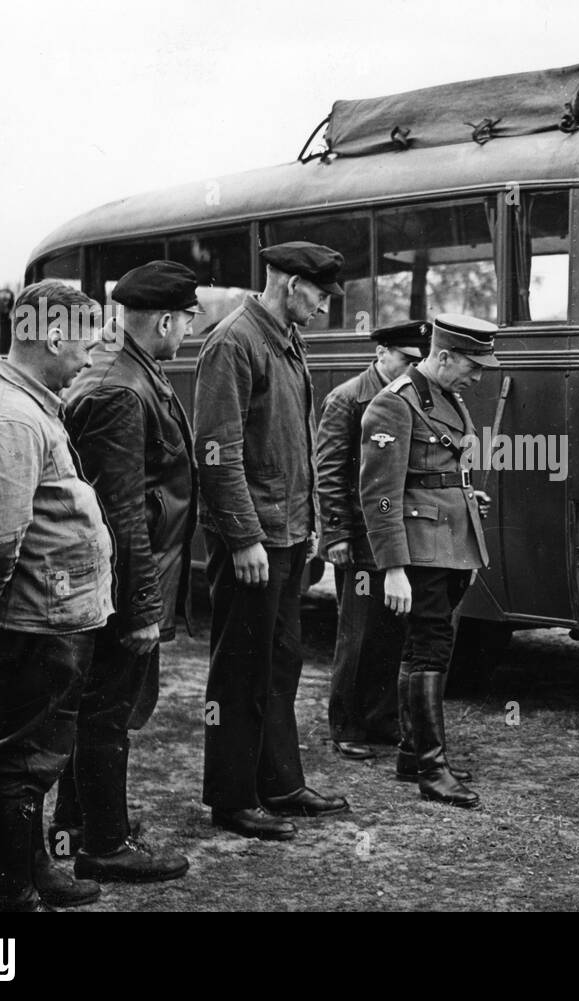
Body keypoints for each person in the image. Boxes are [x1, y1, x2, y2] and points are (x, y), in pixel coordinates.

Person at [0, 281, 113, 911]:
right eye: (86, 341)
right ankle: (10, 897)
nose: (91, 354)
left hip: (34, 615)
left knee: (33, 757)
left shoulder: (7, 399)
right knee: (22, 762)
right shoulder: (16, 417)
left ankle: (35, 870)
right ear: (51, 335)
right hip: (34, 624)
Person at [194, 241, 349, 840]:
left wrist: (306, 528)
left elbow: (292, 445)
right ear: (290, 286)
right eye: (318, 294)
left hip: (284, 535)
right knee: (239, 667)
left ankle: (280, 784)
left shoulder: (284, 339)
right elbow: (219, 452)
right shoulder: (234, 342)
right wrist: (242, 538)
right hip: (254, 541)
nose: (324, 306)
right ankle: (233, 799)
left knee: (280, 661)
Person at [54, 261, 199, 881]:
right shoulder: (121, 388)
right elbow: (123, 515)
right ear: (164, 320)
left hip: (116, 582)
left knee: (103, 704)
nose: (191, 329)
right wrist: (142, 608)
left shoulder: (132, 373)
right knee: (107, 707)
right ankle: (103, 843)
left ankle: (79, 823)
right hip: (117, 586)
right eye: (188, 318)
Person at [359, 314, 496, 808]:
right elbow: (379, 494)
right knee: (430, 646)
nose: (477, 376)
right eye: (471, 365)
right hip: (420, 548)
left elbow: (434, 472)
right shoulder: (393, 405)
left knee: (426, 644)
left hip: (449, 540)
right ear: (442, 357)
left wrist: (464, 497)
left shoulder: (445, 398)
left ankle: (412, 751)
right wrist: (392, 567)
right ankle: (431, 769)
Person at [317, 320, 431, 761]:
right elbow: (328, 472)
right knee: (357, 635)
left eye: (419, 361)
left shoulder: (408, 397)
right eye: (406, 359)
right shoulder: (347, 399)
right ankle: (346, 726)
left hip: (395, 537)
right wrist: (337, 533)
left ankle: (382, 721)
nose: (413, 368)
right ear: (381, 353)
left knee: (391, 631)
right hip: (360, 538)